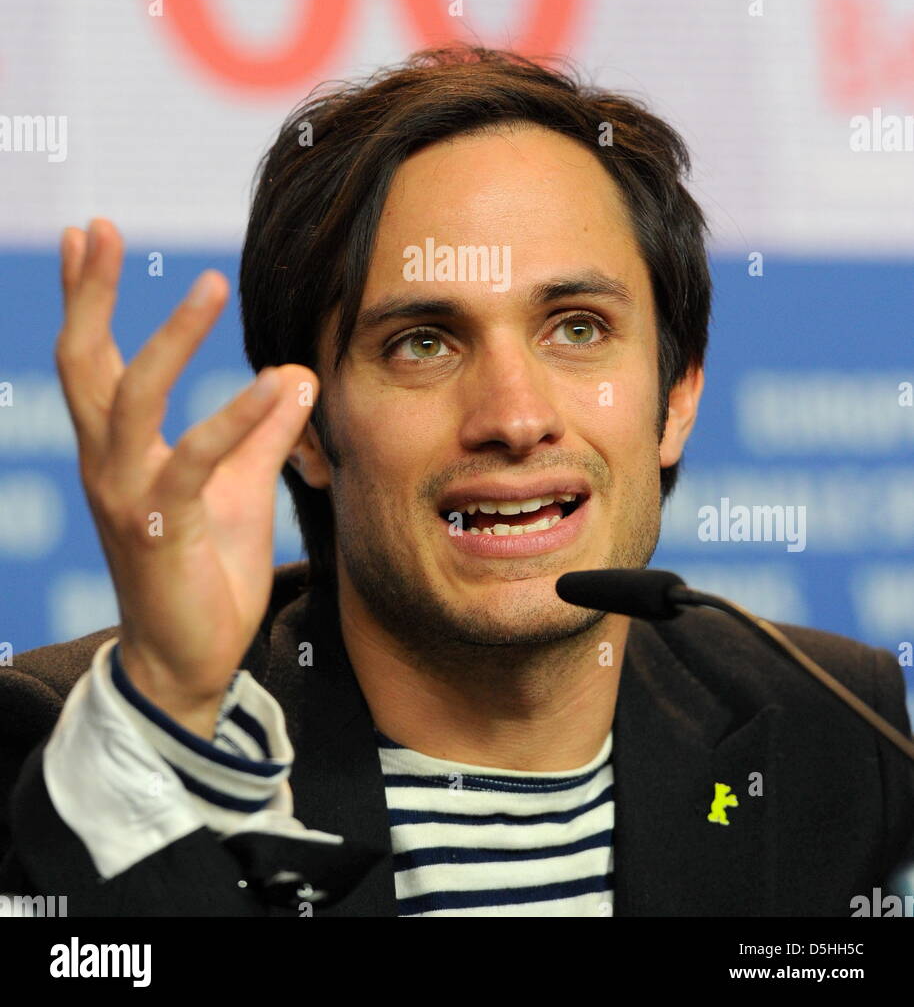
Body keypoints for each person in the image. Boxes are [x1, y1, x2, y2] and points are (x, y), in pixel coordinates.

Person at [1, 44, 912, 917]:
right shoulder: (84, 741)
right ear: (308, 431)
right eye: (423, 344)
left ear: (675, 399)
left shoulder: (830, 725)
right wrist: (167, 711)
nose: (515, 417)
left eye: (578, 328)